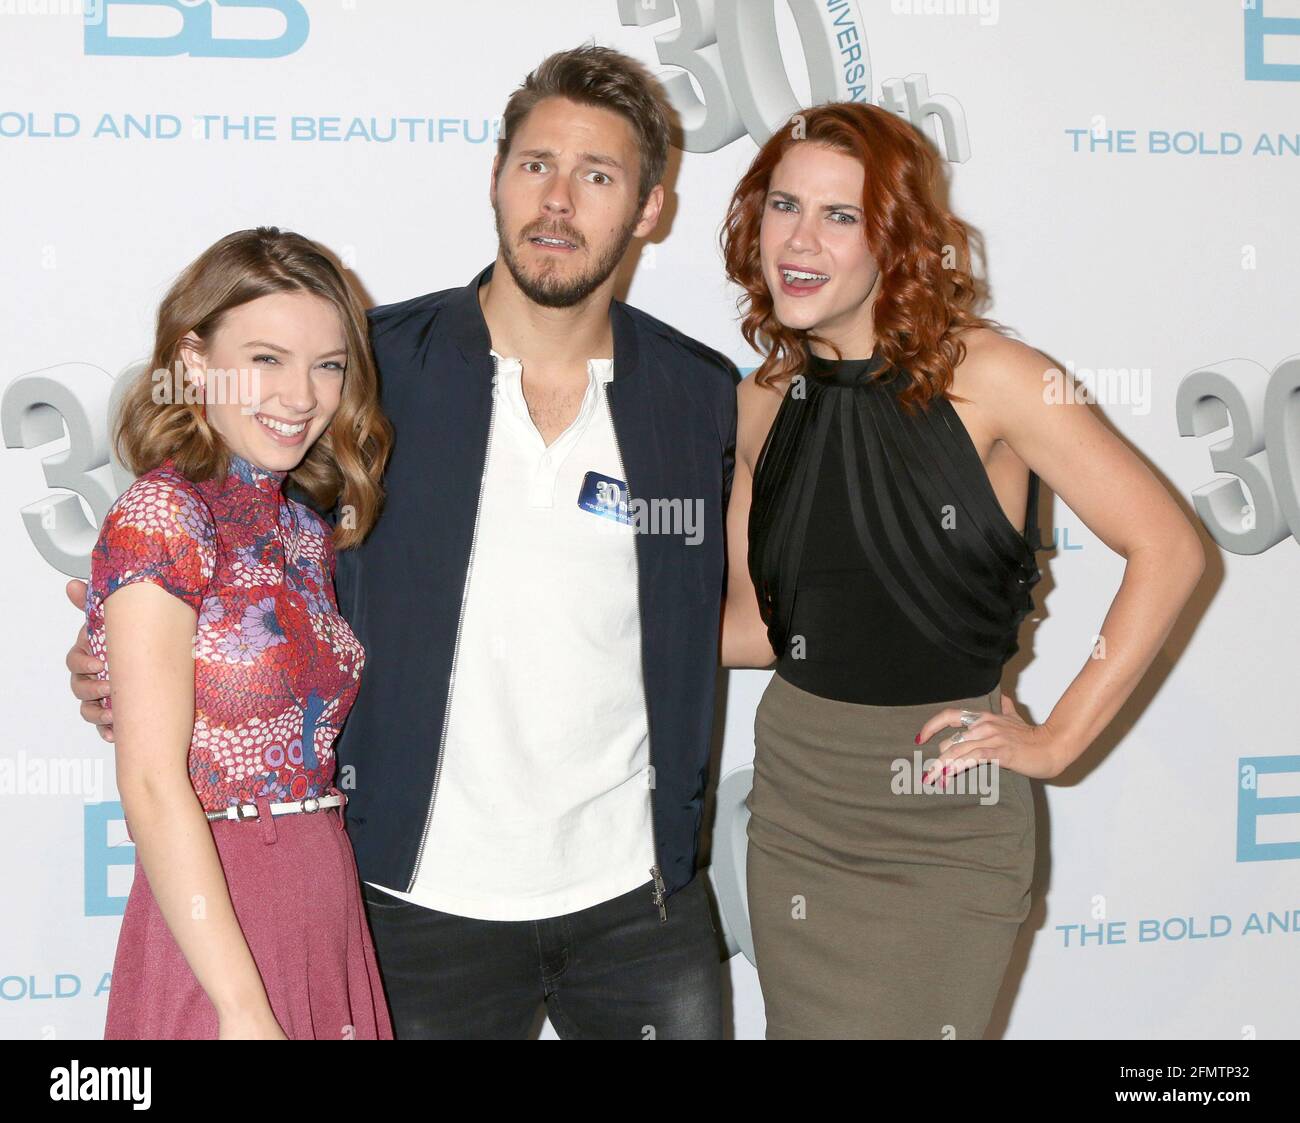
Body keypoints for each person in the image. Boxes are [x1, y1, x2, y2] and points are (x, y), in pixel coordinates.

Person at [68, 45, 737, 1039]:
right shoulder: (370, 369)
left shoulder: (701, 395)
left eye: (597, 176)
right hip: (409, 900)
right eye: (534, 165)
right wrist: (108, 651)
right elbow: (207, 535)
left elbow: (739, 613)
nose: (557, 200)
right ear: (496, 179)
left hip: (638, 900)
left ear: (647, 207)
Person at [719, 103, 1206, 1039]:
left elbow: (1171, 549)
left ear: (893, 239)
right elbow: (753, 631)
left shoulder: (993, 377)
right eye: (784, 205)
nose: (800, 239)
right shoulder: (760, 403)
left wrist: (1058, 741)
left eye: (841, 215)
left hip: (939, 821)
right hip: (797, 808)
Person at [83, 227, 394, 1039]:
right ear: (194, 360)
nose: (301, 395)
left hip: (324, 895)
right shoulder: (162, 516)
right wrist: (242, 1008)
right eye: (266, 358)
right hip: (217, 922)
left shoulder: (303, 530)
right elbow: (152, 783)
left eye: (328, 364)